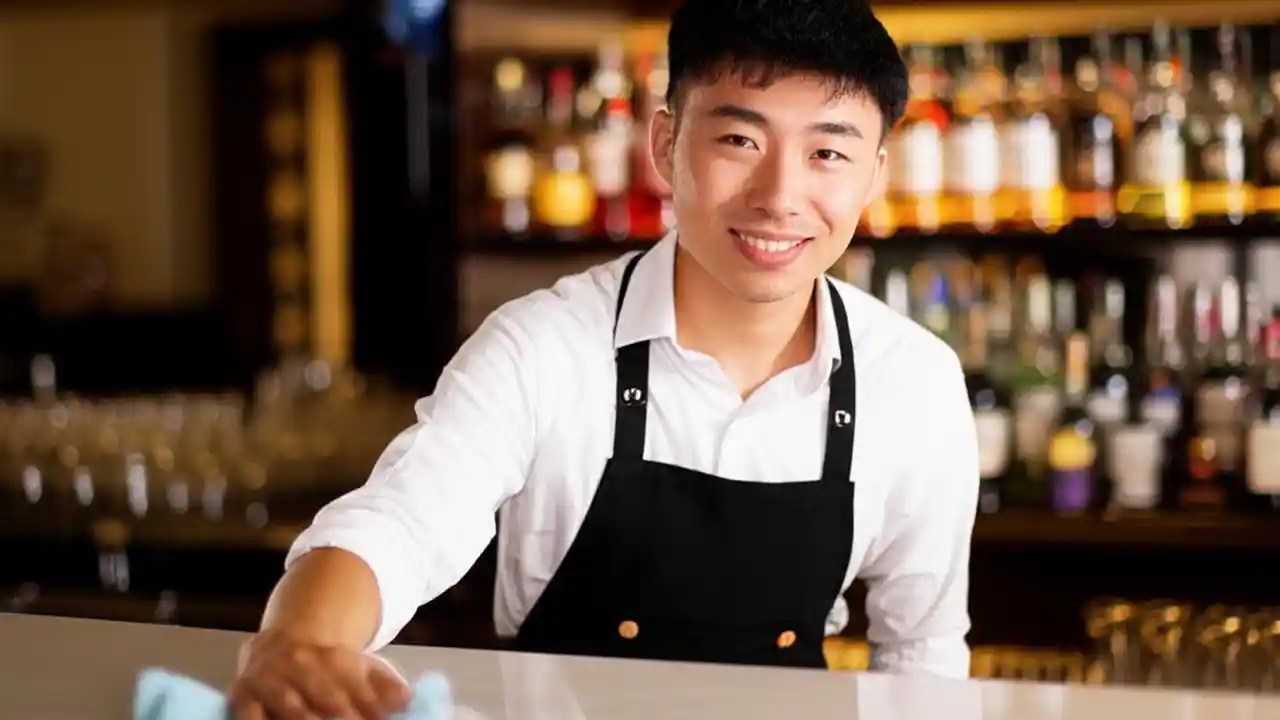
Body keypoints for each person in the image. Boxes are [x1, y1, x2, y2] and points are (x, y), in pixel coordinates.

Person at [229, 0, 979, 717]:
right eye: (740, 140)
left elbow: (921, 652)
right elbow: (397, 526)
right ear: (663, 145)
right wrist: (301, 640)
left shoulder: (912, 381)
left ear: (875, 175)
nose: (780, 195)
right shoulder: (543, 347)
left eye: (827, 152)